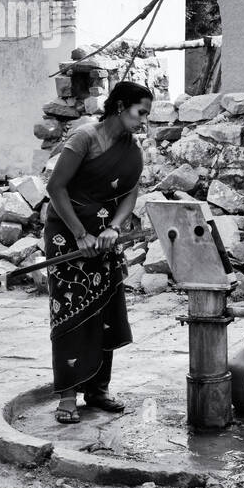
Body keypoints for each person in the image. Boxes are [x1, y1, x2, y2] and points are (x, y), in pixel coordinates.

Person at [43, 80, 151, 423]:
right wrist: (79, 234)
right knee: (72, 312)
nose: (144, 121)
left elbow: (131, 192)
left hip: (104, 237)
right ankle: (67, 396)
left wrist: (113, 228)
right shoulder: (84, 139)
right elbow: (55, 188)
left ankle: (98, 389)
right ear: (120, 106)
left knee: (105, 310)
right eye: (140, 112)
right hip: (67, 234)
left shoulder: (131, 148)